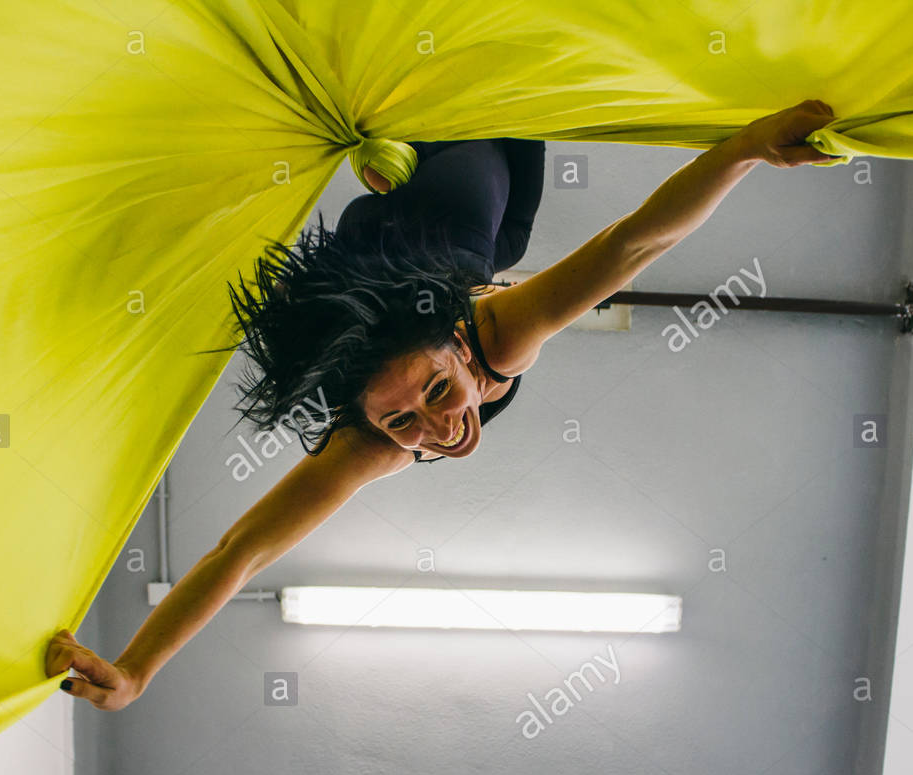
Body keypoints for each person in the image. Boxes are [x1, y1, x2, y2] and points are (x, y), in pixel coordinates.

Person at [47, 99, 837, 710]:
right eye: (405, 421)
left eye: (428, 392)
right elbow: (243, 550)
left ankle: (401, 143)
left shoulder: (485, 337)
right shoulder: (429, 397)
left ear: (457, 344)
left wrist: (742, 149)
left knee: (437, 187)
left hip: (423, 181)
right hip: (477, 197)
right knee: (491, 227)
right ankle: (405, 152)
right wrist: (136, 673)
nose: (437, 424)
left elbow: (236, 549)